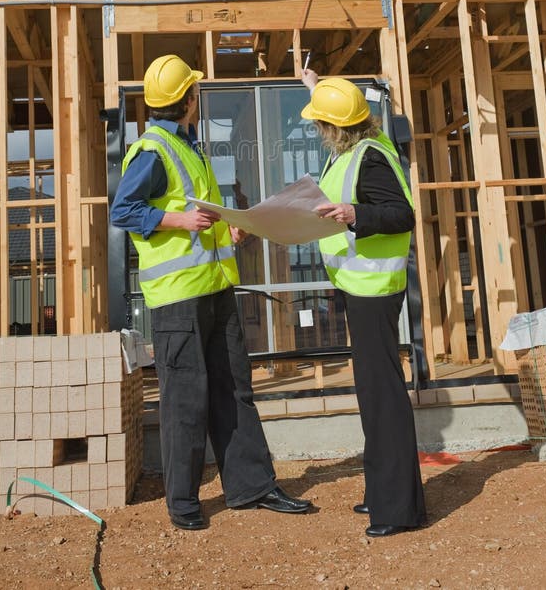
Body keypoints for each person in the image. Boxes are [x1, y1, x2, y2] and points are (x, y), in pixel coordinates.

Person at [111, 54, 310, 530]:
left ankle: (252, 487)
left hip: (215, 289)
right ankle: (182, 504)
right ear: (188, 100)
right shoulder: (154, 151)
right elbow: (124, 209)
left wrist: (232, 231)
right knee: (185, 398)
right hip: (178, 300)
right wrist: (176, 219)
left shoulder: (189, 145)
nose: (199, 99)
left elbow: (198, 218)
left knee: (233, 388)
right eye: (196, 93)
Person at [300, 70, 426, 538]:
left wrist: (354, 215)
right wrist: (314, 87)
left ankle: (397, 509)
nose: (317, 130)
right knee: (373, 394)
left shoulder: (370, 159)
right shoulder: (355, 148)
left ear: (335, 129)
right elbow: (335, 105)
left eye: (320, 123)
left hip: (374, 291)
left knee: (383, 397)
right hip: (358, 288)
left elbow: (402, 214)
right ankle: (383, 494)